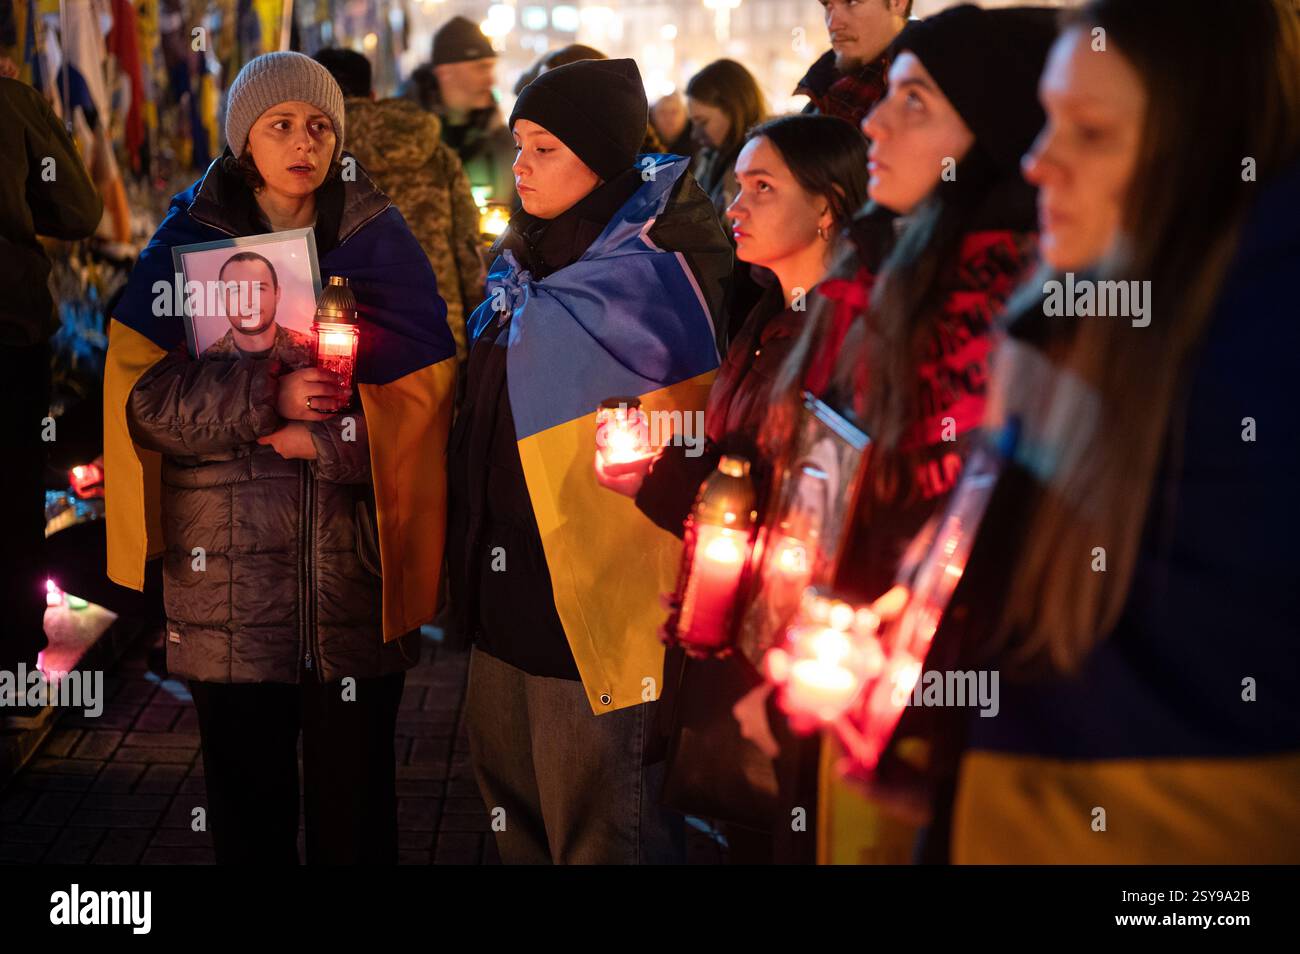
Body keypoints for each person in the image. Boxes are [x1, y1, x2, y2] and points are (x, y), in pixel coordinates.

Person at [882, 0, 1300, 864]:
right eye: (1048, 120)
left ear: (1207, 155)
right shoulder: (1062, 325)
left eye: (1093, 132)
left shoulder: (1256, 375)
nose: (1038, 162)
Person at [103, 52, 458, 864]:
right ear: (242, 141)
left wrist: (330, 438)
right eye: (281, 125)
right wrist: (269, 394)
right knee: (248, 814)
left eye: (322, 125)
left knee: (356, 816)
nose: (306, 142)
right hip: (227, 588)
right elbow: (145, 406)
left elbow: (430, 404)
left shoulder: (379, 236)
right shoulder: (187, 239)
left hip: (352, 586)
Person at [735, 4, 1056, 864]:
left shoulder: (1023, 315)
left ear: (991, 129)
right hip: (842, 687)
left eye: (914, 102)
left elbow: (974, 547)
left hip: (943, 729)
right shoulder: (884, 265)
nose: (873, 117)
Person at [446, 58, 732, 864]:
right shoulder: (523, 262)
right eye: (520, 145)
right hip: (502, 599)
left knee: (607, 835)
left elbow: (690, 444)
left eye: (545, 149)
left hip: (600, 618)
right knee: (520, 827)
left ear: (600, 159)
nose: (521, 166)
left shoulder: (658, 276)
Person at [594, 114, 870, 863]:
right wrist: (650, 473)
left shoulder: (848, 335)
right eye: (737, 185)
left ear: (828, 207)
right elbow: (730, 465)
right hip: (731, 631)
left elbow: (802, 511)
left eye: (762, 187)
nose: (734, 206)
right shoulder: (768, 316)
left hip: (787, 655)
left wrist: (660, 488)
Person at [0, 73, 102, 698]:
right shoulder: (10, 102)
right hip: (8, 329)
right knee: (11, 497)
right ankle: (10, 672)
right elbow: (78, 209)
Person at [315, 47, 485, 366]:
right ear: (373, 93)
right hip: (434, 337)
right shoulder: (434, 151)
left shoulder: (306, 157)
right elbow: (468, 251)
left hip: (337, 342)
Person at [401, 16, 516, 209]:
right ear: (445, 72)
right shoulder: (399, 135)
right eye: (481, 68)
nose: (491, 80)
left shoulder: (504, 143)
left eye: (491, 68)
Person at [797, 0, 909, 131]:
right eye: (827, 5)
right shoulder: (824, 83)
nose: (832, 24)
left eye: (852, 3)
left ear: (897, 3)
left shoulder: (928, 78)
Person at [685, 59, 768, 216]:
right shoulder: (710, 159)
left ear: (734, 111)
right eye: (693, 123)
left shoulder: (761, 168)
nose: (694, 134)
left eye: (703, 122)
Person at [201, 251, 315, 363]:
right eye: (237, 291)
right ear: (221, 299)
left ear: (277, 294)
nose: (249, 302)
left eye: (259, 289)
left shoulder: (313, 351)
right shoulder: (205, 363)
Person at [650, 91, 696, 160]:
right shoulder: (643, 145)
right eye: (662, 112)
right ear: (653, 116)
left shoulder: (699, 146)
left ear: (685, 115)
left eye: (674, 112)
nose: (668, 118)